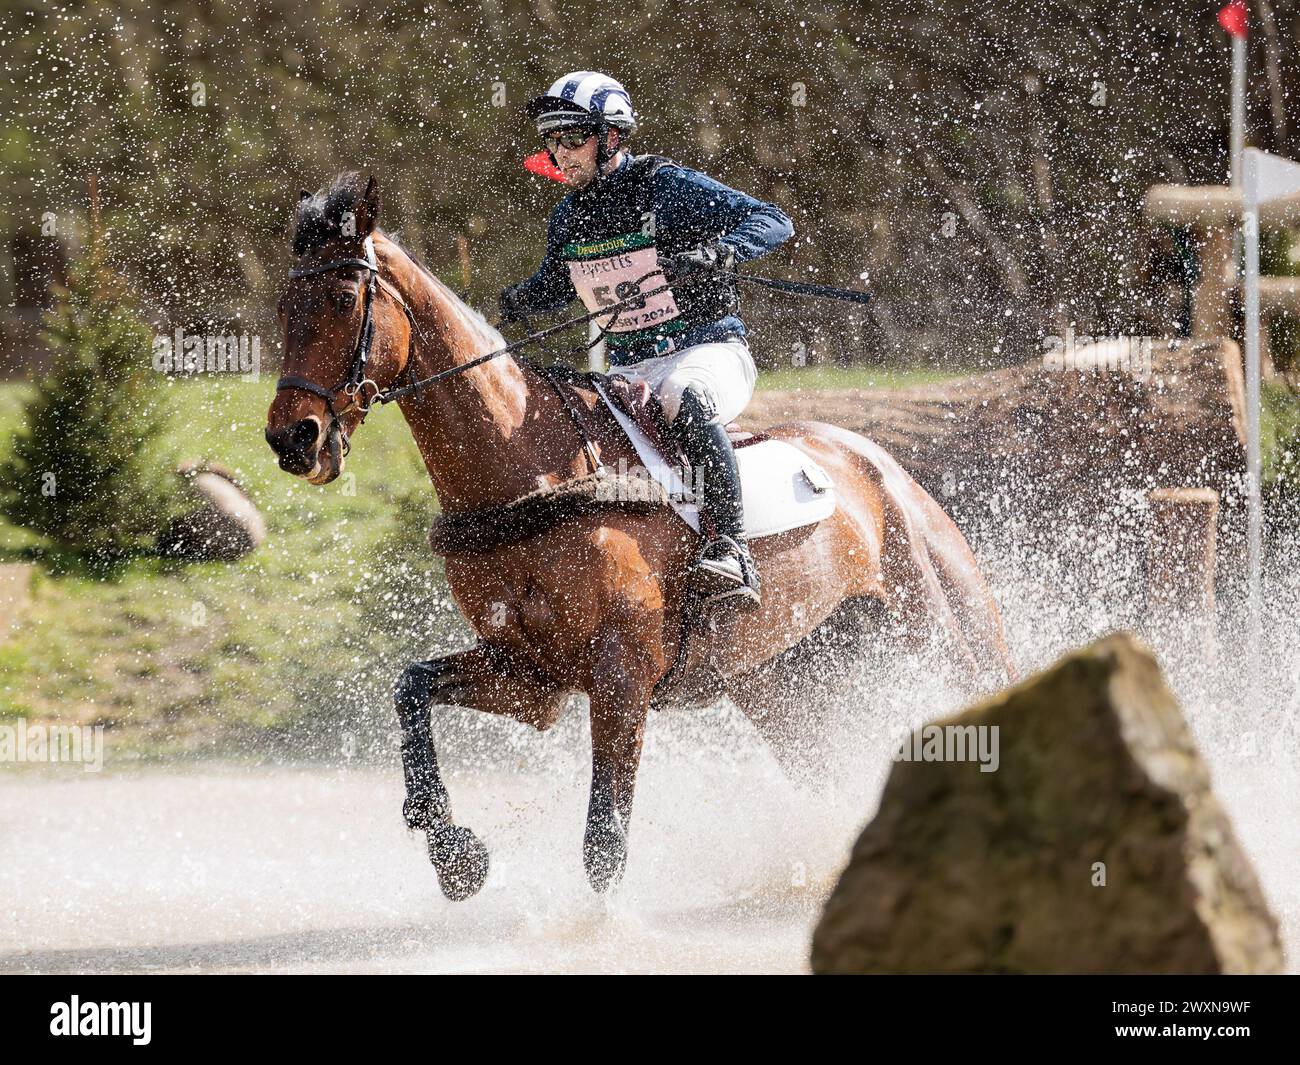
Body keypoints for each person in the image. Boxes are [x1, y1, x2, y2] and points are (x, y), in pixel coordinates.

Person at [500, 71, 793, 606]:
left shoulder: (666, 186)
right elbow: (554, 285)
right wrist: (514, 301)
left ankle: (732, 546)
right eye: (551, 140)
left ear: (610, 136)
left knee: (682, 394)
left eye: (571, 138)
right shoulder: (569, 216)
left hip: (707, 350)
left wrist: (716, 254)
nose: (559, 154)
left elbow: (773, 221)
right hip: (631, 371)